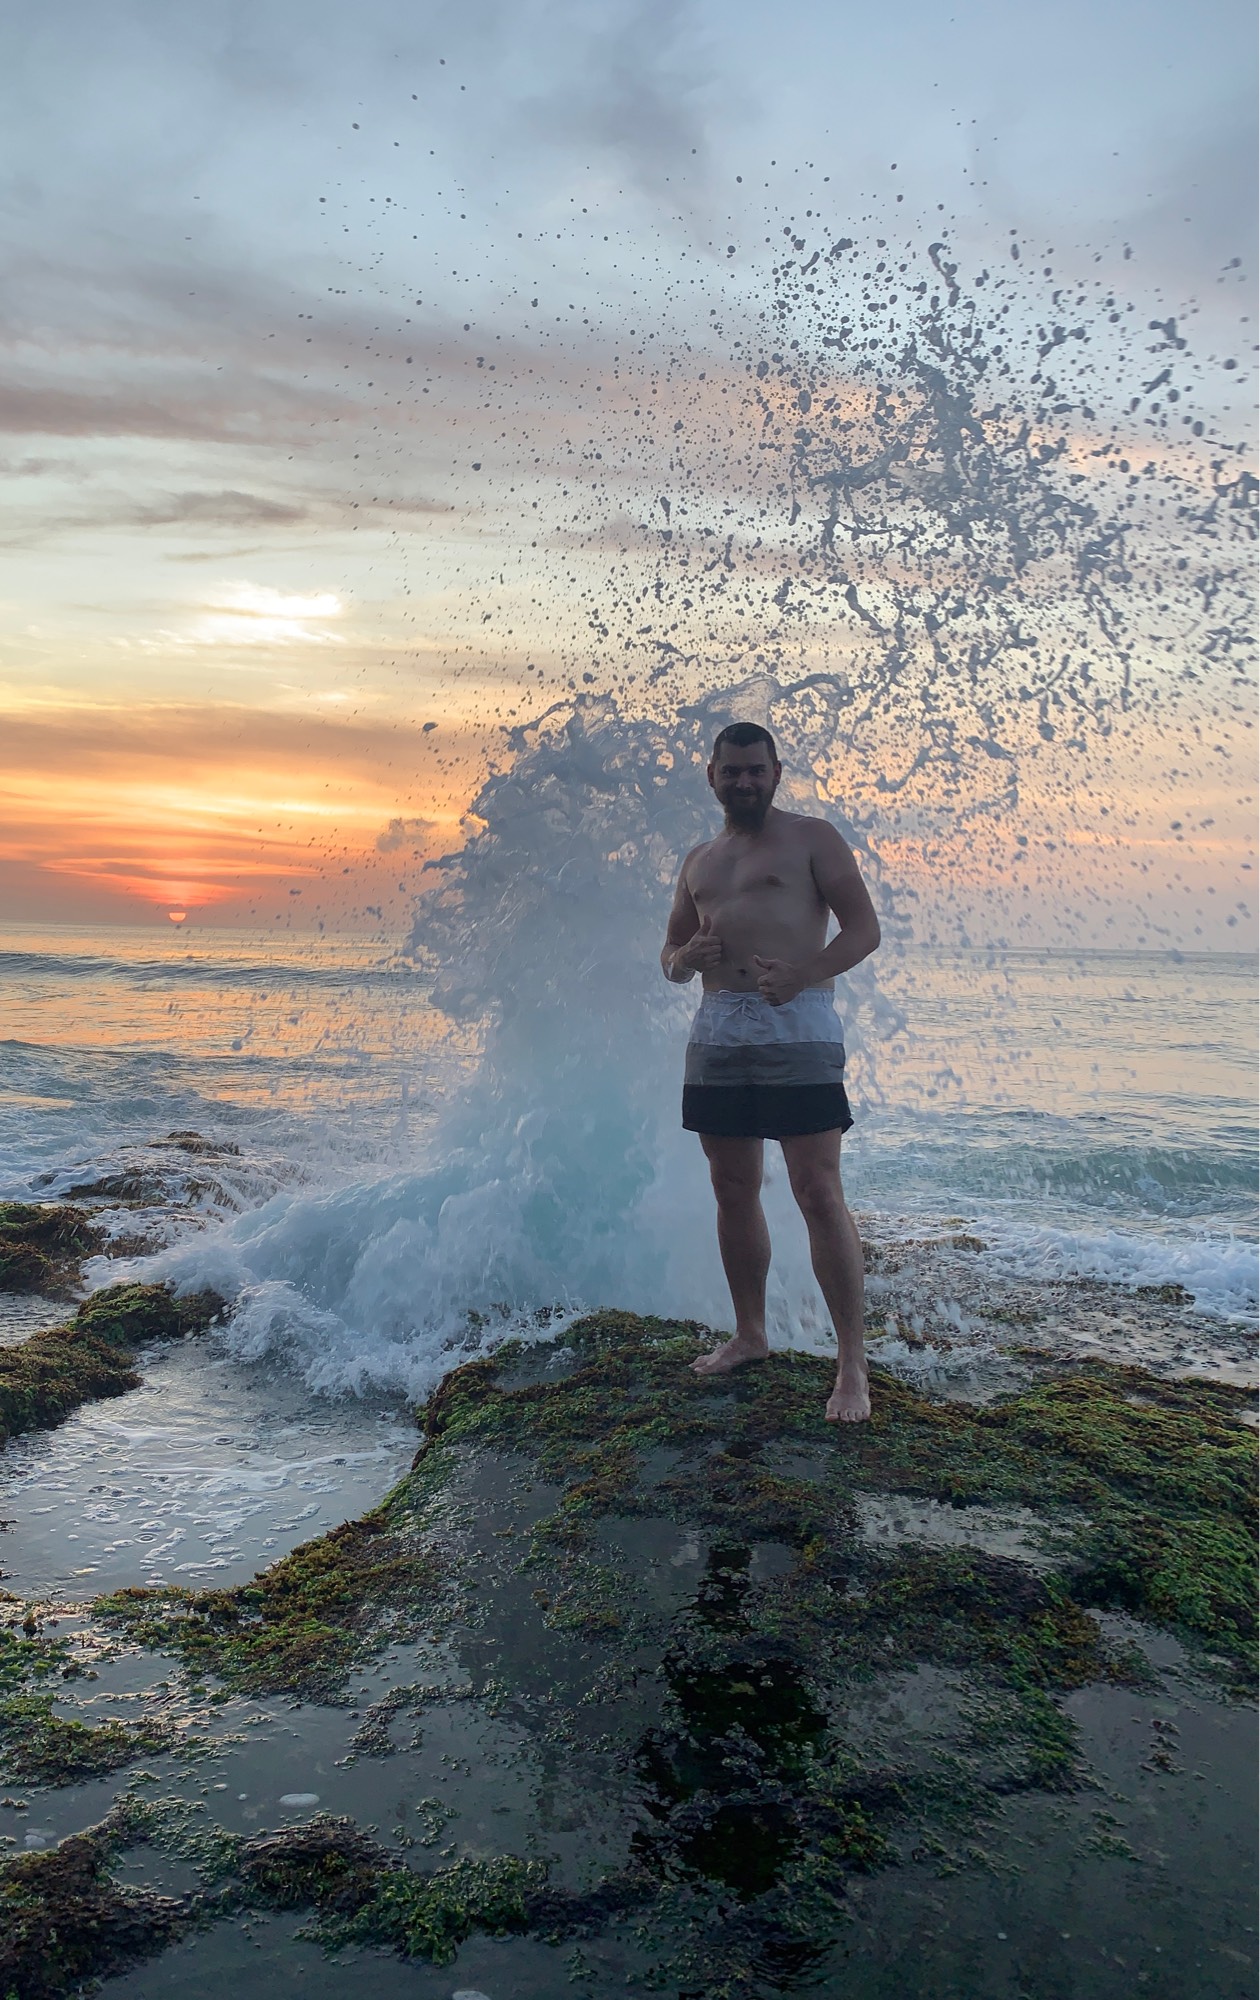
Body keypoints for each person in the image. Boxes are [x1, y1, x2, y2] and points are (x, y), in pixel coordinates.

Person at [661, 722, 881, 1421]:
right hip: (720, 1033)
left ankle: (852, 1366)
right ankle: (750, 1335)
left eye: (757, 770)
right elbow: (668, 955)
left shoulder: (814, 838)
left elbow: (864, 929)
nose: (746, 782)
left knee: (817, 1190)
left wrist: (804, 974)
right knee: (732, 1187)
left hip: (800, 1027)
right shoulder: (698, 860)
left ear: (777, 772)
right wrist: (685, 959)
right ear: (712, 776)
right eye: (733, 772)